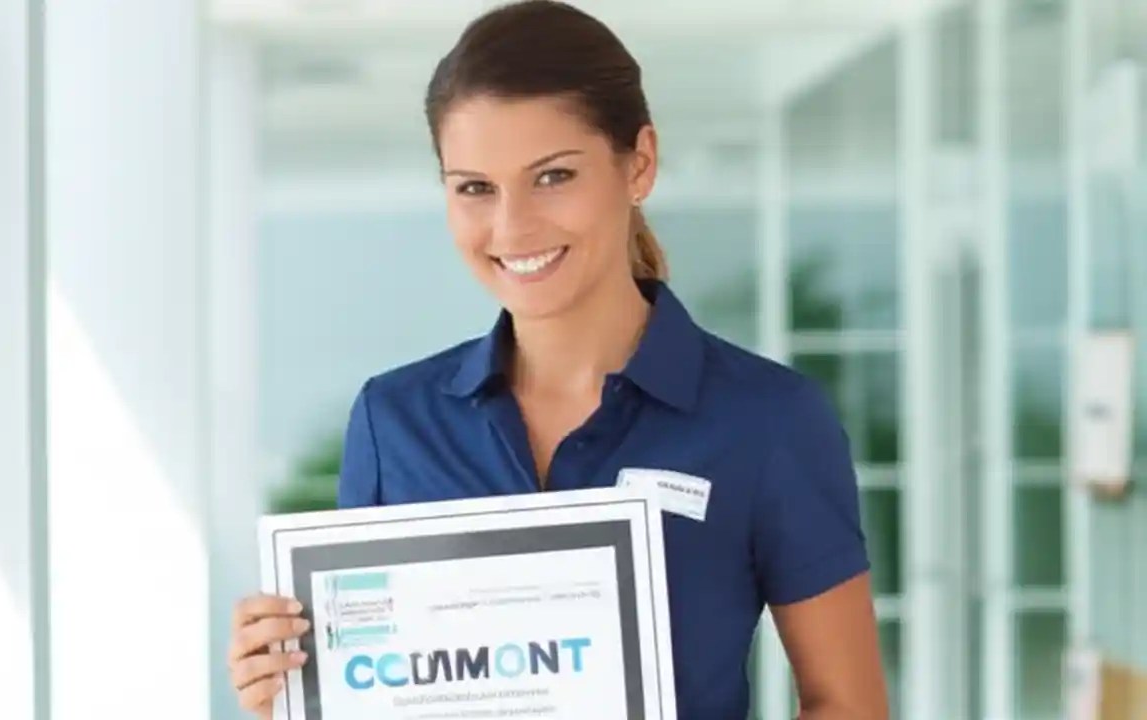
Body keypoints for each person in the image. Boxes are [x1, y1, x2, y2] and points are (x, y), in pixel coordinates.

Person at [227, 1, 889, 718]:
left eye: (553, 177)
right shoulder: (394, 424)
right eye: (475, 188)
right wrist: (289, 692)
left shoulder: (768, 421)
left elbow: (848, 706)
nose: (512, 227)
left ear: (639, 164)